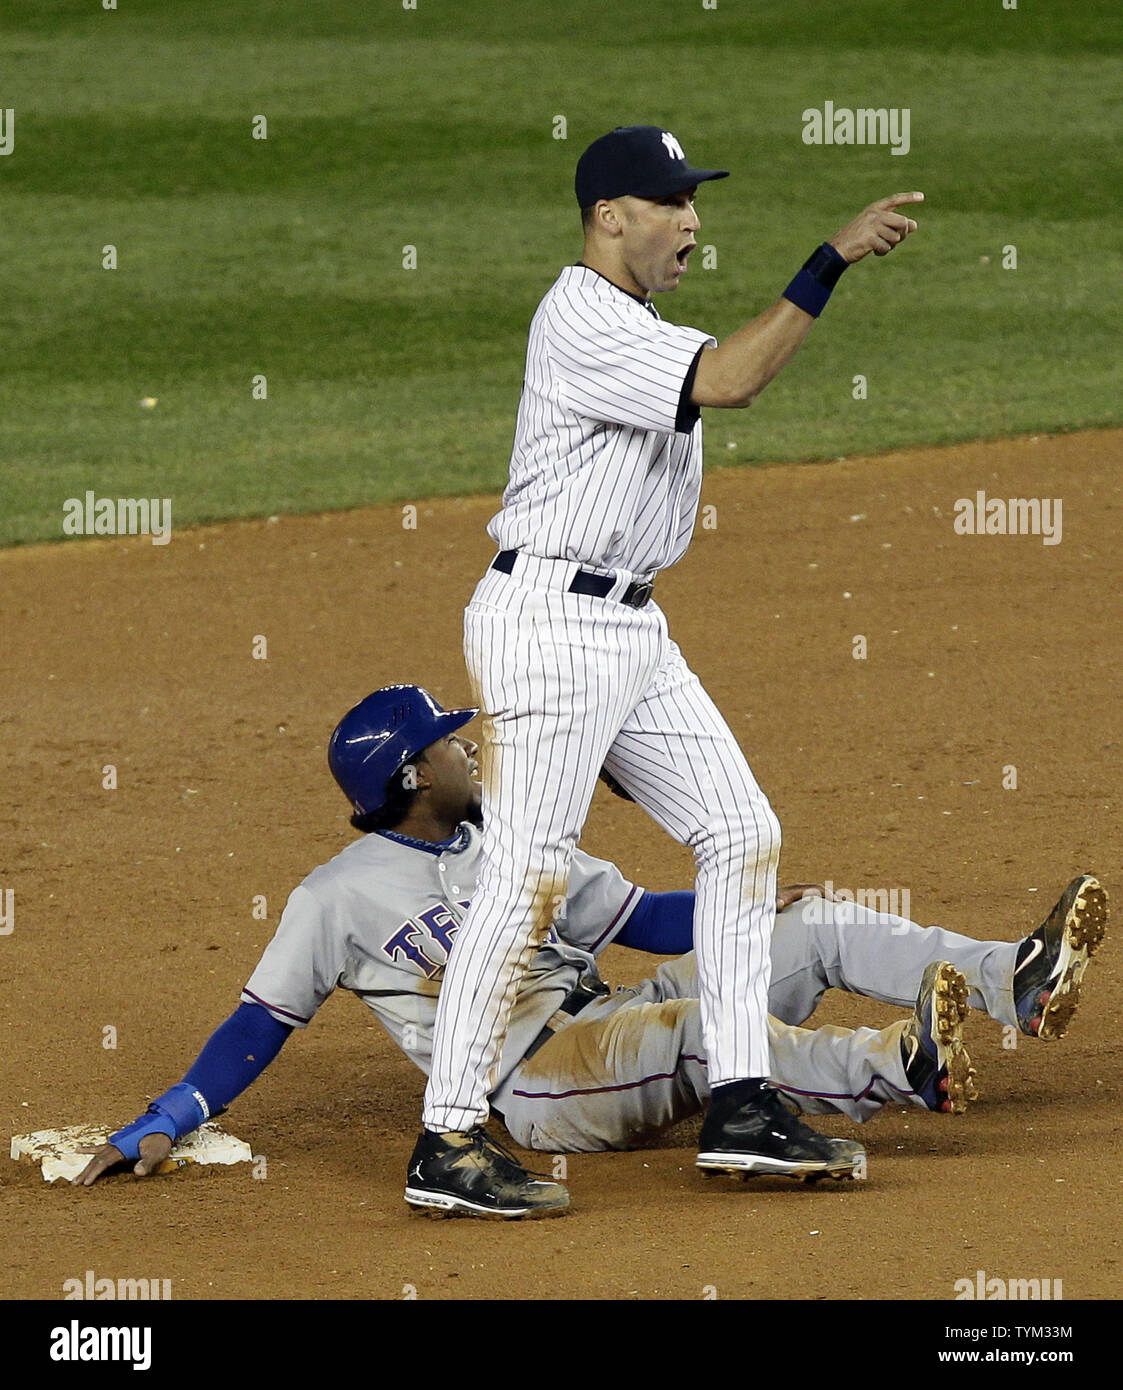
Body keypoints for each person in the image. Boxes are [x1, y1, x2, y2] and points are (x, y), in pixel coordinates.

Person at [413, 123, 928, 1214]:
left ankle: (741, 1100)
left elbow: (716, 374)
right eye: (671, 201)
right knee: (525, 879)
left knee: (741, 829)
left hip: (629, 631)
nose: (693, 218)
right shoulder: (581, 316)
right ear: (611, 216)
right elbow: (734, 379)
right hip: (549, 624)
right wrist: (826, 260)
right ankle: (446, 1138)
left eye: (695, 198)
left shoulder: (642, 323)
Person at [74, 686, 1108, 1224]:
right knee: (712, 1033)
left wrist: (738, 907)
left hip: (610, 1012)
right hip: (541, 1084)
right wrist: (167, 1118)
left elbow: (645, 920)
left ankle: (1007, 980)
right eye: (446, 743)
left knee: (811, 923)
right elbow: (261, 1021)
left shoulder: (513, 837)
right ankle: (899, 1068)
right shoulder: (334, 898)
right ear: (407, 777)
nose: (467, 744)